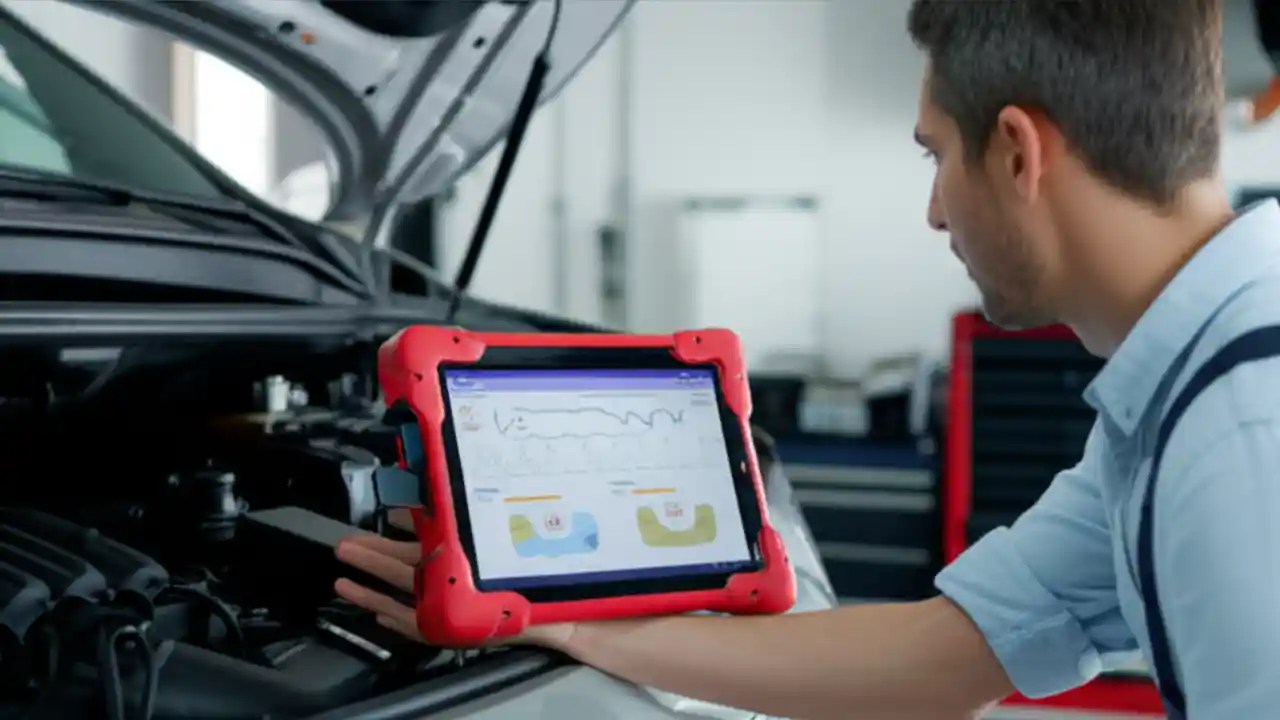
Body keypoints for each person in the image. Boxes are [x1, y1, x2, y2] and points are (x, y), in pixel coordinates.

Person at [335, 1, 1280, 717]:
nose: (937, 212)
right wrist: (566, 622)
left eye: (935, 156)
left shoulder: (1245, 434)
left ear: (1018, 151)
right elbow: (944, 652)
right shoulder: (1180, 391)